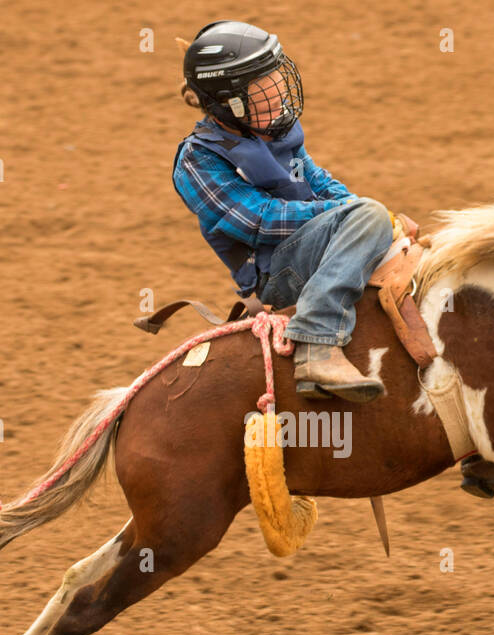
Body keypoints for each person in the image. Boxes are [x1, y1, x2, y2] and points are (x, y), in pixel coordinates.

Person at [173, 20, 418, 403]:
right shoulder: (198, 160)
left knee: (385, 229)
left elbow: (318, 181)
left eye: (275, 80)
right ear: (228, 102)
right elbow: (259, 219)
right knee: (367, 217)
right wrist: (355, 217)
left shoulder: (276, 130)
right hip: (276, 272)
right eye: (263, 88)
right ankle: (316, 342)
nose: (277, 93)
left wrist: (371, 216)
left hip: (319, 243)